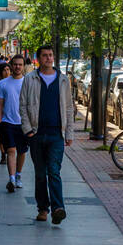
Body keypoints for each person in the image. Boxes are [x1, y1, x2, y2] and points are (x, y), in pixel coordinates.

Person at [19, 45, 75, 225]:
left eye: (51, 55)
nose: (49, 58)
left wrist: (69, 133)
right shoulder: (30, 79)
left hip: (56, 134)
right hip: (36, 133)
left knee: (54, 170)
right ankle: (43, 208)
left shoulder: (63, 80)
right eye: (45, 56)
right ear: (38, 58)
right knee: (40, 173)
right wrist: (27, 129)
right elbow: (23, 105)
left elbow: (68, 108)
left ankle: (58, 208)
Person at [0, 54, 28, 192]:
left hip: (24, 123)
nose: (17, 67)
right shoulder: (3, 83)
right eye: (15, 64)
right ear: (11, 65)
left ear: (23, 66)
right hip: (7, 122)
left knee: (22, 151)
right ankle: (12, 178)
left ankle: (19, 175)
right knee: (11, 150)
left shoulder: (28, 83)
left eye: (20, 64)